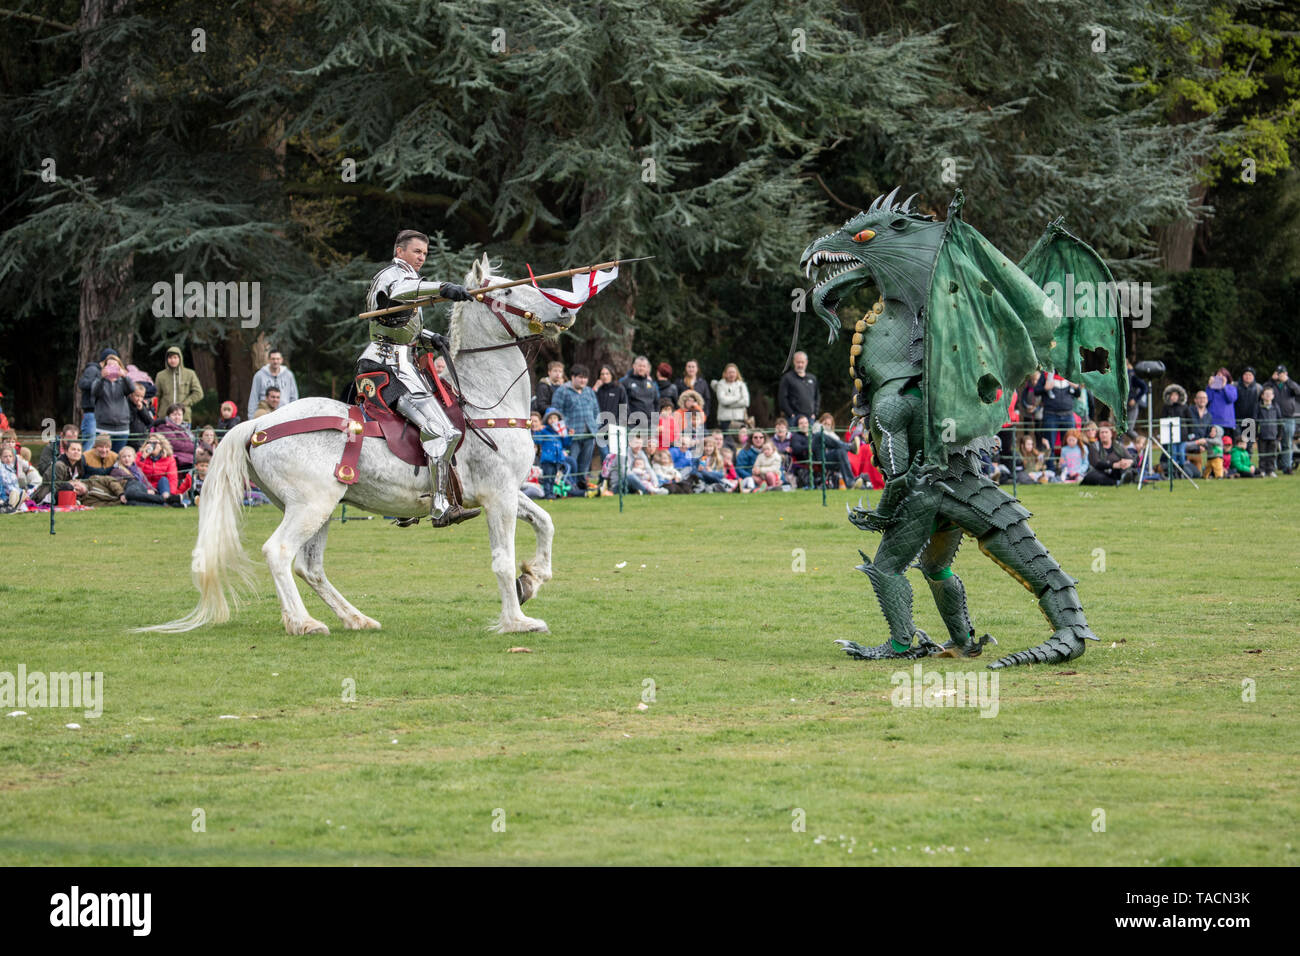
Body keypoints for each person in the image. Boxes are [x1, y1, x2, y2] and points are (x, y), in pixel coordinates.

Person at [551, 364, 599, 491]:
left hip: (589, 433)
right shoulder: (562, 391)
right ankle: (570, 486)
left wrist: (595, 425)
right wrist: (565, 429)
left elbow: (596, 411)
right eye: (580, 377)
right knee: (572, 462)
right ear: (573, 377)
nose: (583, 380)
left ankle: (582, 484)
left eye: (585, 378)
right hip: (571, 435)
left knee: (585, 462)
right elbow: (556, 412)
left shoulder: (589, 391)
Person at [88, 349, 135, 451]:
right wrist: (102, 377)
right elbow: (94, 392)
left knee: (118, 458)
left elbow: (132, 389)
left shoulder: (123, 382)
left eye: (115, 365)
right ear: (104, 367)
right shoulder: (99, 381)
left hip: (122, 428)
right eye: (109, 365)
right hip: (103, 428)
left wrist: (125, 376)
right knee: (102, 456)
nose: (112, 368)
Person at [1037, 371, 1080, 464]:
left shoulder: (1071, 373)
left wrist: (1076, 387)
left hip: (1068, 415)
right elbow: (1036, 390)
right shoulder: (1045, 373)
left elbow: (1078, 393)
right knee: (1049, 443)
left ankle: (1069, 467)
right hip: (1050, 415)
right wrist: (1045, 388)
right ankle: (1050, 469)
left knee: (1070, 442)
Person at [155, 346, 204, 424]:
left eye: (175, 357)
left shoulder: (190, 374)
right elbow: (156, 396)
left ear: (180, 358)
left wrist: (184, 404)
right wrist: (155, 414)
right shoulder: (160, 375)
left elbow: (199, 393)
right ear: (167, 359)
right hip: (164, 417)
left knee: (182, 436)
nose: (173, 360)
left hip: (184, 417)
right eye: (170, 358)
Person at [1265, 365, 1300, 474]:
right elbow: (1264, 390)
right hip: (1274, 417)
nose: (1280, 375)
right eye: (1279, 373)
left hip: (1288, 417)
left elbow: (1298, 391)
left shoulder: (1290, 385)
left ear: (1286, 374)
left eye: (1282, 373)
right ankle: (1272, 467)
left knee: (1287, 443)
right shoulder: (1272, 384)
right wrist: (1271, 379)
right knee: (1273, 443)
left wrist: (1288, 381)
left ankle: (1287, 466)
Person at [247, 348, 299, 419]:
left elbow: (294, 396)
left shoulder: (288, 375)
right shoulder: (259, 375)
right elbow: (254, 397)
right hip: (265, 414)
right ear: (268, 360)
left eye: (278, 359)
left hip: (284, 414)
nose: (275, 361)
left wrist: (293, 414)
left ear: (281, 360)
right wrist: (251, 417)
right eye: (273, 359)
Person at [136, 433, 186, 506]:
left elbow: (172, 479)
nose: (151, 445)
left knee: (164, 479)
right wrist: (143, 457)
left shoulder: (169, 459)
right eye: (149, 442)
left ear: (161, 446)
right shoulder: (141, 455)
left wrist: (172, 493)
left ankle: (168, 498)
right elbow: (136, 473)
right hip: (146, 487)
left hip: (161, 488)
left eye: (154, 443)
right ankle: (167, 502)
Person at [34, 439, 89, 504]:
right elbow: (53, 488)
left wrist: (80, 487)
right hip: (46, 497)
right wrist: (71, 485)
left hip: (64, 496)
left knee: (84, 488)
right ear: (66, 451)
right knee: (68, 487)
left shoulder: (79, 467)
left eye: (79, 450)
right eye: (73, 449)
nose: (76, 452)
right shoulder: (59, 466)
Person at [533, 408, 571, 499]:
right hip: (548, 458)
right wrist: (537, 431)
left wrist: (569, 436)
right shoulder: (544, 430)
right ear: (547, 420)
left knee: (554, 477)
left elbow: (566, 444)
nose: (552, 420)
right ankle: (548, 494)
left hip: (558, 458)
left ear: (558, 419)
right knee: (548, 477)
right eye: (550, 418)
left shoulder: (560, 431)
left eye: (555, 418)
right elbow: (538, 441)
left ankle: (552, 493)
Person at [620, 356, 659, 439]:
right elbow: (622, 403)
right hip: (633, 424)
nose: (641, 368)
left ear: (647, 368)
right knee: (633, 449)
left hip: (649, 424)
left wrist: (655, 421)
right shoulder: (625, 382)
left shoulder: (651, 384)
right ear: (634, 366)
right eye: (639, 365)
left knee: (649, 450)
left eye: (644, 366)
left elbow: (656, 403)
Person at [593, 364, 627, 460]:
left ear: (612, 375)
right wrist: (595, 388)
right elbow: (590, 403)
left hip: (615, 427)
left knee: (616, 455)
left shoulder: (619, 388)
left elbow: (624, 408)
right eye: (602, 374)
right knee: (605, 455)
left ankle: (613, 474)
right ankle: (606, 474)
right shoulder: (597, 389)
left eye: (607, 374)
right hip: (600, 428)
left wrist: (619, 424)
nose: (604, 376)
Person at [150, 403, 196, 473]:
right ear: (169, 416)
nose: (177, 417)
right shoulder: (164, 427)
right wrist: (195, 447)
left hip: (189, 454)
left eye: (179, 415)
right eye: (174, 414)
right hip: (177, 456)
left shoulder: (184, 427)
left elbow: (194, 439)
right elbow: (174, 444)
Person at [778, 351, 819, 424]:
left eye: (802, 362)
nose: (800, 365)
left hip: (810, 418)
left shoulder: (812, 378)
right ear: (794, 362)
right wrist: (791, 414)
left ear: (806, 362)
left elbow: (817, 397)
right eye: (798, 362)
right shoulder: (787, 378)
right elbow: (782, 398)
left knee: (810, 435)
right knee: (794, 436)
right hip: (793, 419)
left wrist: (815, 413)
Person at [1159, 384, 1190, 475]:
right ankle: (1173, 472)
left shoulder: (1184, 407)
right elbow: (1163, 420)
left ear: (1179, 396)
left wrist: (1191, 432)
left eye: (1176, 395)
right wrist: (1162, 432)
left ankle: (1181, 471)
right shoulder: (1166, 407)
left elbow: (1189, 420)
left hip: (1182, 434)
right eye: (1172, 395)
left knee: (1181, 453)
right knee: (1173, 453)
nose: (1174, 397)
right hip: (1170, 434)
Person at [711, 363, 749, 435]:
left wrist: (728, 404)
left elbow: (746, 402)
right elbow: (723, 401)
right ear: (725, 373)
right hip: (725, 420)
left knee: (741, 441)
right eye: (729, 372)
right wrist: (738, 397)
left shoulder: (741, 385)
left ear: (737, 373)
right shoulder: (720, 384)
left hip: (739, 418)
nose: (731, 374)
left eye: (733, 372)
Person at [1184, 390, 1215, 475]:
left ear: (1207, 400)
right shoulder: (1188, 411)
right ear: (1195, 400)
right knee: (1187, 473)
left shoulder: (1209, 416)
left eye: (1204, 398)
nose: (1202, 400)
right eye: (1200, 398)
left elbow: (1208, 434)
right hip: (1186, 449)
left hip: (1199, 452)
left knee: (1197, 475)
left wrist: (1204, 446)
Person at [1205, 368, 1238, 439]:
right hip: (1214, 421)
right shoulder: (1211, 388)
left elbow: (1231, 399)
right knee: (1214, 446)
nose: (1220, 377)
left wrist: (1224, 387)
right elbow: (1207, 400)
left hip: (1227, 422)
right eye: (1218, 375)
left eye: (1222, 375)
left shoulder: (1231, 388)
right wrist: (1210, 386)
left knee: (1226, 445)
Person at [1256, 386, 1282, 477]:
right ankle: (1262, 470)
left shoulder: (1276, 407)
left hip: (1273, 435)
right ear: (1262, 396)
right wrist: (1255, 434)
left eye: (1269, 394)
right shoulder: (1258, 406)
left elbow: (1280, 421)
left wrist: (1279, 434)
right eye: (1266, 394)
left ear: (1273, 396)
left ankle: (1270, 470)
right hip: (1262, 435)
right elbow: (1254, 421)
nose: (1267, 396)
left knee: (1272, 454)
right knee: (1262, 454)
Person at [127, 382, 155, 448]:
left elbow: (150, 421)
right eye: (137, 396)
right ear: (131, 394)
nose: (139, 399)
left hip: (143, 438)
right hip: (131, 439)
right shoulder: (126, 404)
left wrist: (142, 410)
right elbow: (129, 419)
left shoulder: (143, 405)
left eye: (142, 397)